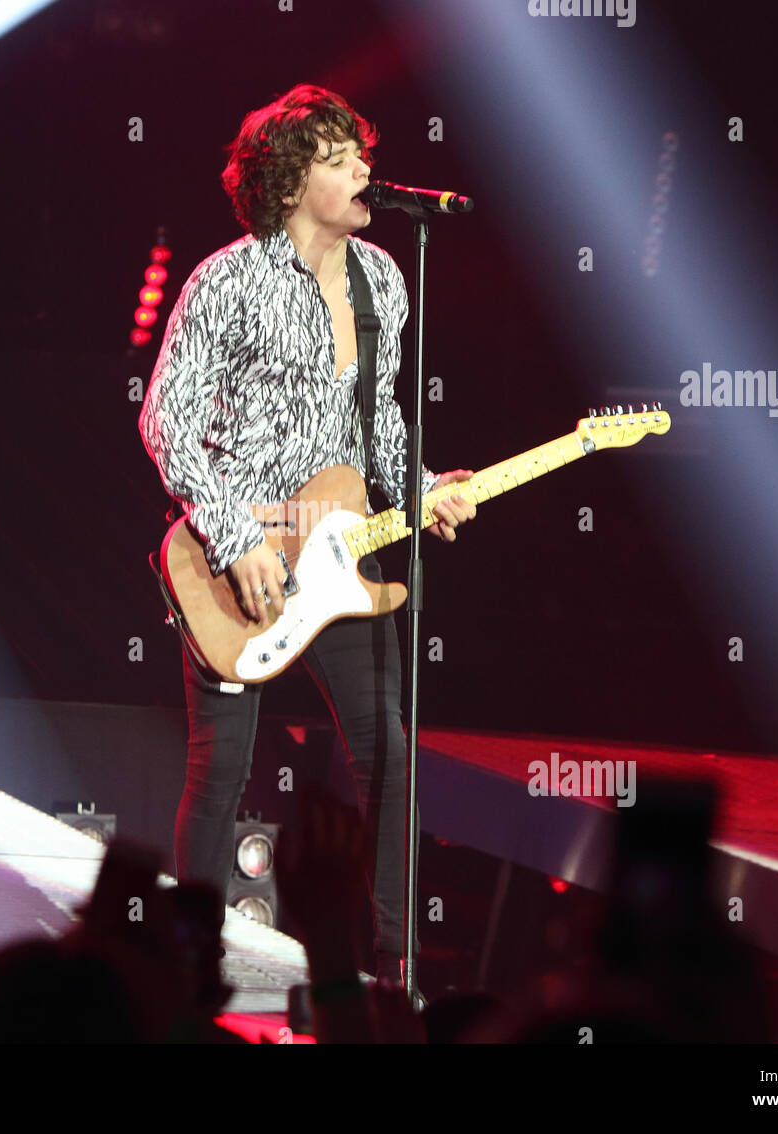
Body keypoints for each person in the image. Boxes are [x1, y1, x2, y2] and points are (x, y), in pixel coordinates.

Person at [138, 83, 476, 985]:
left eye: (361, 154)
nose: (367, 169)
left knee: (390, 759)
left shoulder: (384, 281)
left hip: (342, 550)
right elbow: (167, 421)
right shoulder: (227, 279)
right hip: (238, 558)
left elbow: (385, 428)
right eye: (340, 159)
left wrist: (428, 486)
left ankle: (393, 971)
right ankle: (183, 967)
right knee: (223, 770)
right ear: (289, 182)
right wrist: (231, 536)